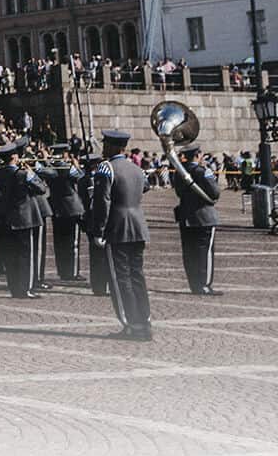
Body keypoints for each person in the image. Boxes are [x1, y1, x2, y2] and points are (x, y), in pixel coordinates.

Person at [90, 130, 152, 340]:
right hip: (138, 225)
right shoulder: (137, 168)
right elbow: (145, 187)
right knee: (137, 276)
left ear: (112, 146)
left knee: (120, 278)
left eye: (105, 144)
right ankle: (145, 320)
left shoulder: (106, 168)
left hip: (117, 227)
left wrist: (99, 230)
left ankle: (131, 324)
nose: (103, 148)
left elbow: (103, 202)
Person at [0, 140, 46, 300]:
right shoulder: (23, 174)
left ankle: (14, 287)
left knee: (11, 254)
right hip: (24, 217)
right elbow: (41, 188)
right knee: (25, 255)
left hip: (7, 217)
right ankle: (26, 288)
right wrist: (32, 173)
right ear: (14, 157)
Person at [166, 141, 222, 296]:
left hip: (186, 216)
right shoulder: (203, 171)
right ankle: (204, 285)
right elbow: (215, 193)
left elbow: (179, 193)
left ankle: (194, 284)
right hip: (204, 216)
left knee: (189, 252)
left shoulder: (179, 172)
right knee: (205, 253)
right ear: (198, 155)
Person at [42, 146, 87, 282]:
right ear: (65, 154)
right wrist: (76, 164)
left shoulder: (49, 168)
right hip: (71, 208)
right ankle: (72, 272)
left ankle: (63, 270)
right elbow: (81, 177)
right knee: (72, 242)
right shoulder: (68, 168)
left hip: (57, 207)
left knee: (59, 242)